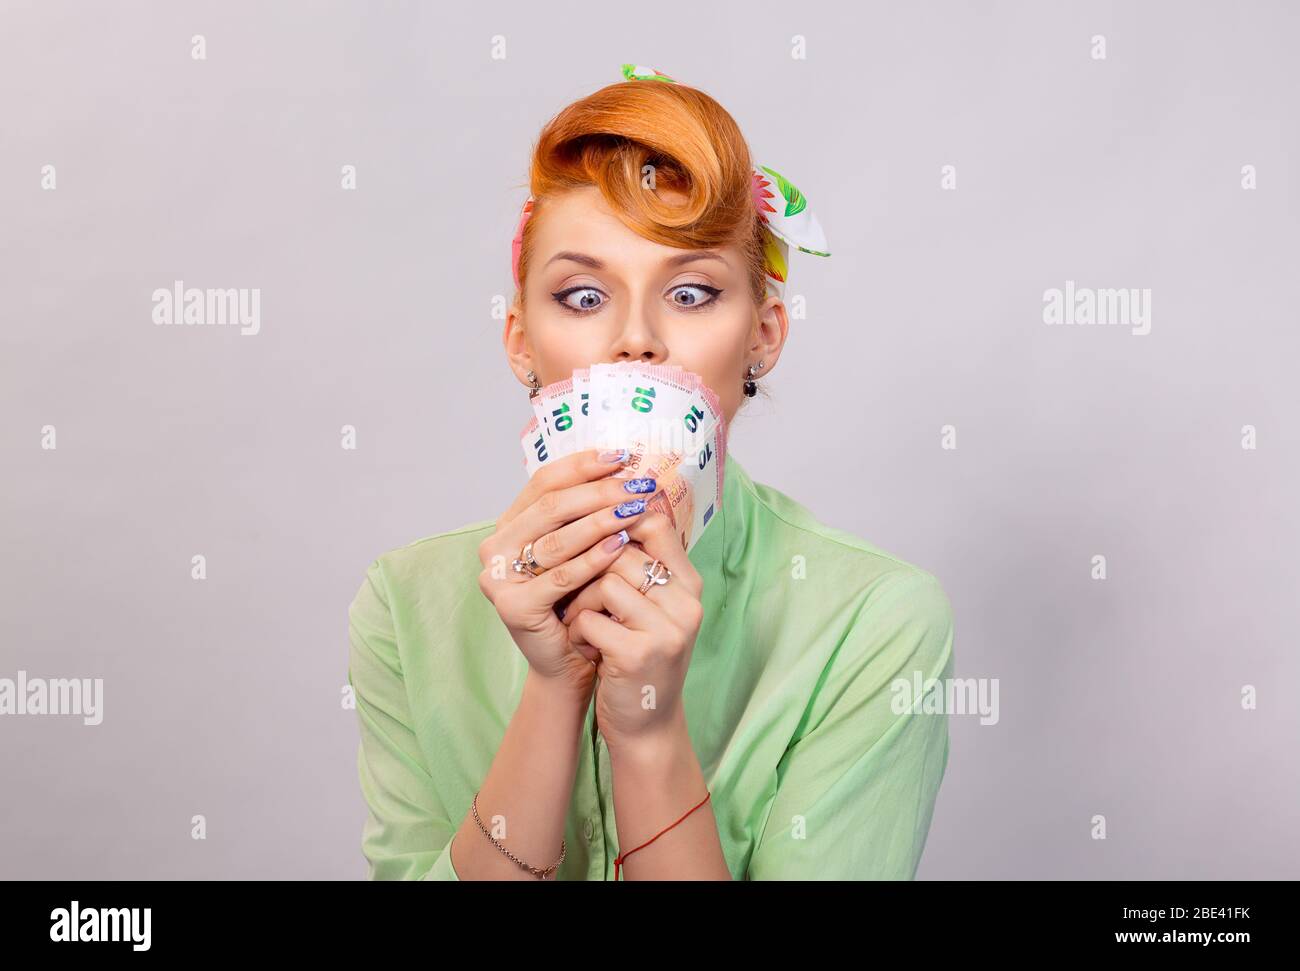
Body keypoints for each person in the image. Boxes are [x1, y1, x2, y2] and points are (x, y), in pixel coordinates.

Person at [347, 64, 955, 880]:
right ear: (521, 342)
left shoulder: (877, 623)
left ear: (764, 337)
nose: (636, 340)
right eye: (585, 296)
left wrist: (647, 726)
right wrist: (554, 690)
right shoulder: (403, 607)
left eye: (694, 292)